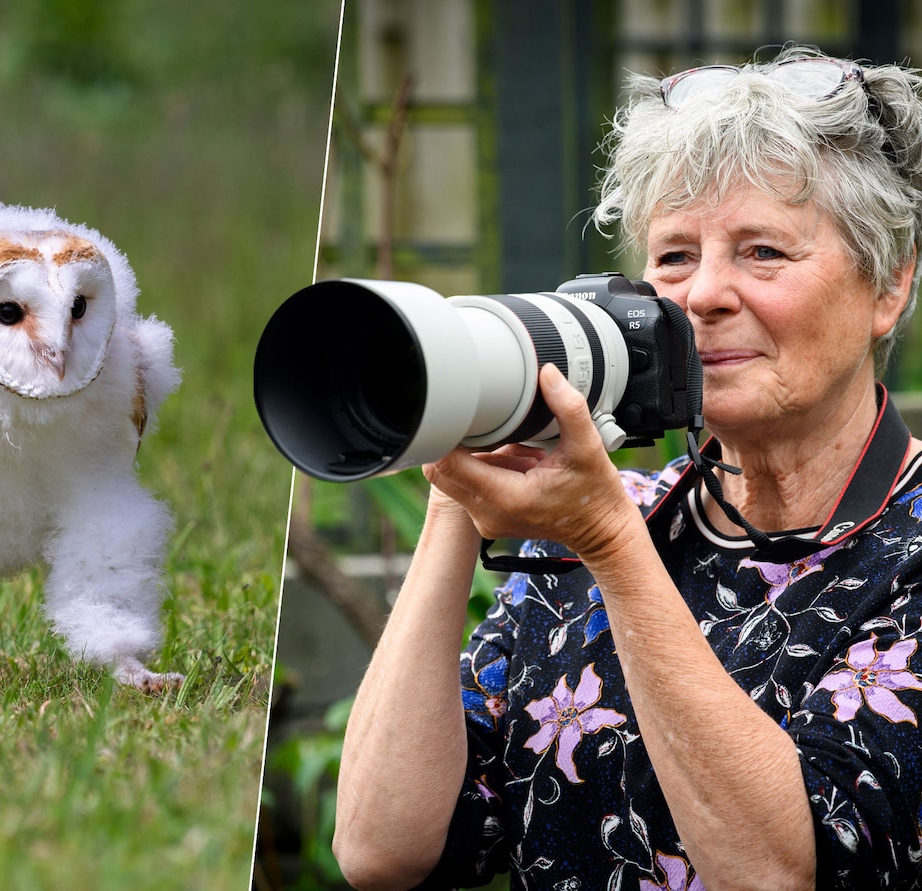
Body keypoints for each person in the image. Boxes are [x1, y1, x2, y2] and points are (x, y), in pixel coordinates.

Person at [332, 46, 922, 891]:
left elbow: (781, 872)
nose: (704, 294)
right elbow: (381, 850)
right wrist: (458, 475)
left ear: (888, 286)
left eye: (762, 251)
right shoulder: (609, 518)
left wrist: (610, 542)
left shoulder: (608, 528)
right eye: (675, 256)